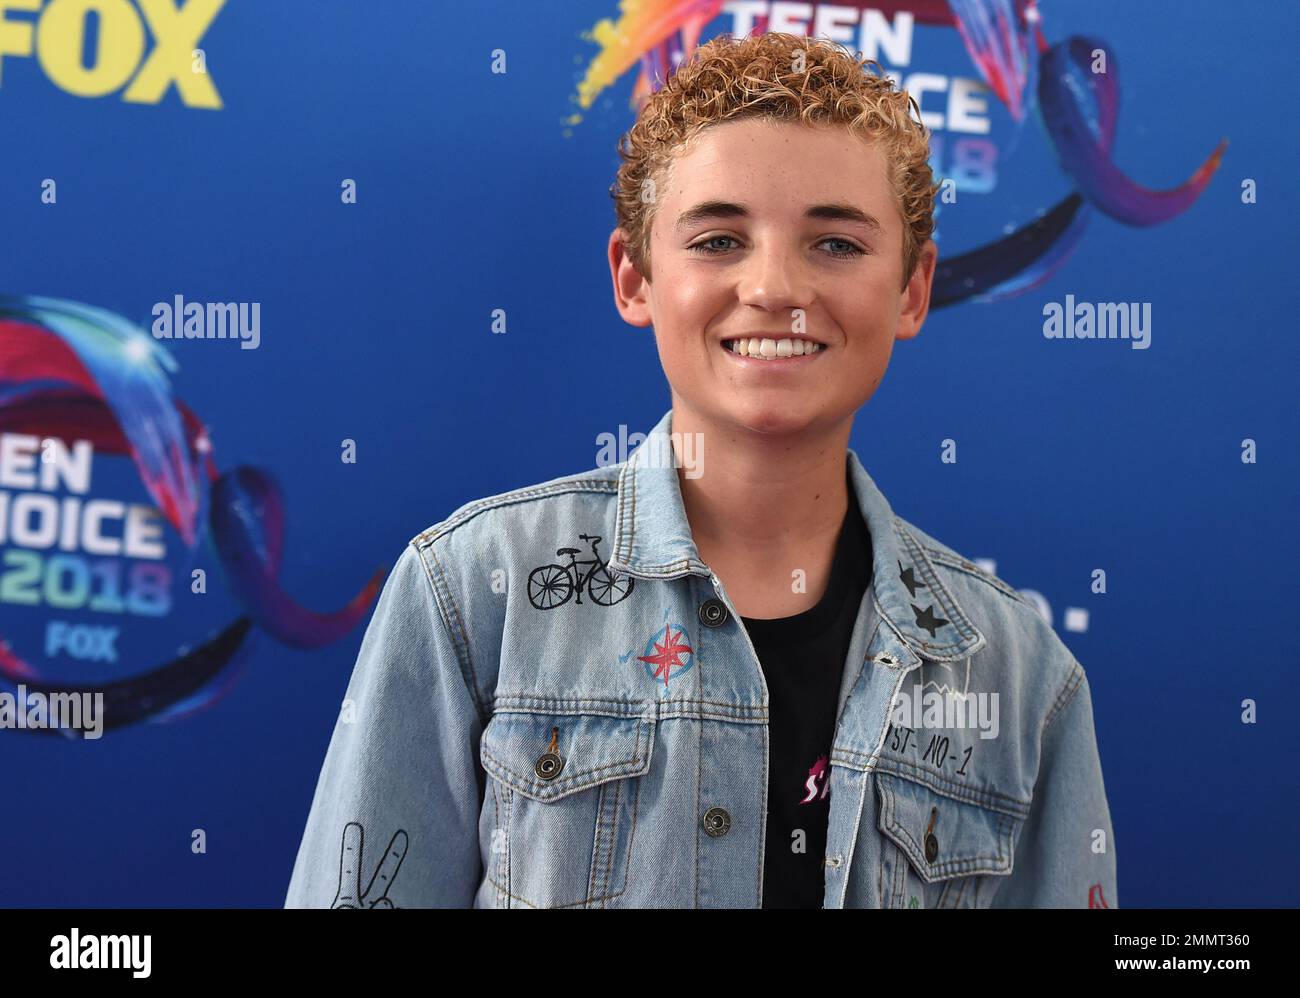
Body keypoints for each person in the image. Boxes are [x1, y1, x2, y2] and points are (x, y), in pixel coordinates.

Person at [284, 30, 1117, 909]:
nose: (774, 287)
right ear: (635, 278)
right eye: (719, 239)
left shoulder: (1023, 680)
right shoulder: (471, 596)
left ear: (912, 289)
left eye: (836, 243)